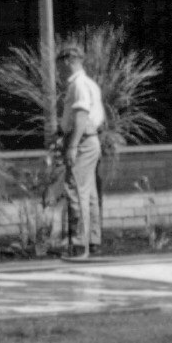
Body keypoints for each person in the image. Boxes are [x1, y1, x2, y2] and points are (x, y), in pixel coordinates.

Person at [54, 44, 106, 260]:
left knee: (77, 192)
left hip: (83, 141)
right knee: (90, 194)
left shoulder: (78, 85)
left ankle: (79, 246)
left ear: (67, 61)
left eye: (59, 64)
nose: (58, 69)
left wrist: (72, 145)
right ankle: (92, 241)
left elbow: (81, 115)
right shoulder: (89, 83)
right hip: (90, 139)